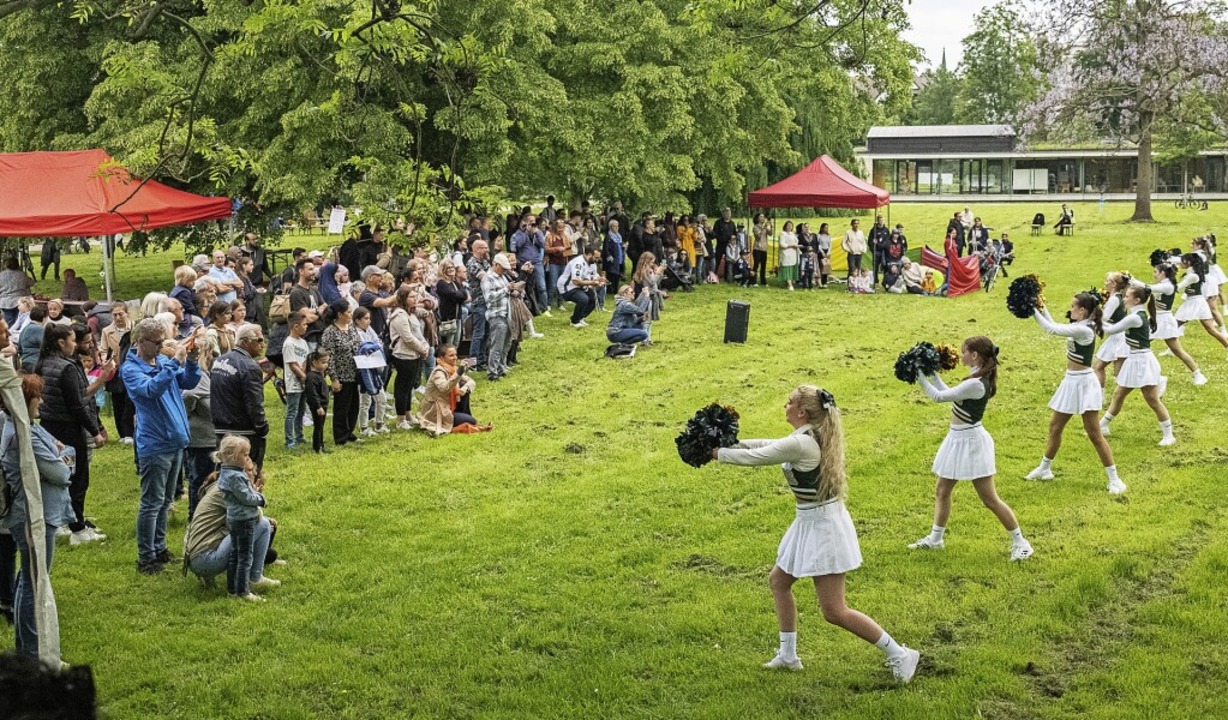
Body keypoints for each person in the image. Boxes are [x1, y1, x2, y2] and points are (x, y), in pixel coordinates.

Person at [713, 385, 920, 681]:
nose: (784, 405)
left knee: (834, 611)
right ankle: (788, 656)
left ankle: (900, 654)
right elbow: (764, 445)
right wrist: (730, 443)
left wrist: (716, 453)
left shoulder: (802, 444)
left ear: (801, 412)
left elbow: (758, 457)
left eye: (789, 402)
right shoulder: (805, 436)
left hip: (824, 528)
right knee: (779, 581)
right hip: (811, 522)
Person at [908, 336, 1033, 561]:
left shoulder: (976, 383)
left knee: (989, 499)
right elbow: (950, 393)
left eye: (964, 351)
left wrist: (917, 372)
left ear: (974, 355)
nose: (961, 354)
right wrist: (931, 372)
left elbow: (939, 397)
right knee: (942, 490)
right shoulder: (976, 377)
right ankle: (936, 539)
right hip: (958, 440)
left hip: (972, 443)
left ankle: (1021, 542)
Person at [3, 372, 75, 658]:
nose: (42, 401)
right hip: (33, 516)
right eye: (37, 396)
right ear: (23, 401)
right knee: (34, 582)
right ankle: (32, 654)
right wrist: (63, 460)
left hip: (39, 513)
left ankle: (27, 650)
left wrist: (62, 456)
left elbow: (64, 450)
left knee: (29, 579)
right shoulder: (24, 436)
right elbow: (60, 471)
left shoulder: (30, 427)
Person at [122, 317, 202, 574]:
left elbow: (188, 382)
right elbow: (150, 390)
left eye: (162, 341)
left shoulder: (162, 362)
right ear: (139, 341)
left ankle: (160, 548)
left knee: (166, 500)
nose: (160, 346)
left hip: (175, 440)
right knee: (151, 502)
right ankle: (146, 557)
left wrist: (191, 360)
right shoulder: (131, 370)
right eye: (156, 342)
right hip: (155, 443)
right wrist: (175, 362)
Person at [1029, 294, 1126, 494]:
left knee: (1094, 434)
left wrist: (1030, 309)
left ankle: (1115, 479)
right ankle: (1044, 468)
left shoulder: (1085, 330)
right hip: (1071, 381)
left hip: (1084, 384)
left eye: (1073, 306)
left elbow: (1051, 329)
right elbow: (1055, 324)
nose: (1070, 309)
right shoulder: (1082, 324)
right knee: (1055, 427)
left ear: (1082, 310)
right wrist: (1040, 304)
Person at [36, 323, 109, 546]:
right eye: (72, 340)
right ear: (61, 342)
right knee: (77, 479)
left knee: (57, 478)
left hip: (50, 427)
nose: (75, 344)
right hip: (69, 429)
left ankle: (57, 522)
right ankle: (78, 529)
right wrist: (95, 431)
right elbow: (77, 405)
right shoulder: (67, 367)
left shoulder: (42, 363)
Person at [1099, 285, 1175, 446]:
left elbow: (1111, 330)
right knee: (1119, 394)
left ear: (1137, 300)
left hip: (1142, 362)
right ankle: (1103, 426)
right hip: (1134, 359)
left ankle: (1169, 435)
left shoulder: (1134, 317)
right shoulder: (1135, 314)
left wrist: (1096, 316)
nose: (1124, 299)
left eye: (1127, 296)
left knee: (1152, 399)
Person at [213, 436, 267, 602]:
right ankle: (243, 591)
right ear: (232, 457)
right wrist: (260, 499)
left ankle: (232, 590)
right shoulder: (236, 477)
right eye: (244, 455)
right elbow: (246, 497)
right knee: (245, 556)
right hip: (244, 519)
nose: (247, 458)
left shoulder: (226, 473)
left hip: (234, 518)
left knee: (235, 555)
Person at [211, 323, 269, 471]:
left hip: (220, 428)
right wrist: (262, 427)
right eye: (259, 340)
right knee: (248, 474)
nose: (263, 345)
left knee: (223, 474)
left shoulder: (219, 361)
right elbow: (254, 402)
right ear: (245, 341)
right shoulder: (250, 366)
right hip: (244, 432)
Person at [1135, 263, 1207, 385]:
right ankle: (1139, 373)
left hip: (1165, 320)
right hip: (1155, 318)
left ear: (1162, 273)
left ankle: (1198, 374)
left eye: (1155, 272)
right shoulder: (1163, 284)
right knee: (1138, 345)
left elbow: (1147, 288)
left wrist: (1131, 279)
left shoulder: (1168, 286)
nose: (1154, 274)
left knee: (1176, 350)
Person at [418, 344, 492, 436]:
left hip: (448, 406)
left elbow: (471, 381)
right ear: (442, 357)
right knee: (471, 421)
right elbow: (445, 388)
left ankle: (461, 416)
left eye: (455, 355)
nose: (455, 358)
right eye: (451, 355)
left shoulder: (453, 368)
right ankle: (457, 422)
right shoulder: (438, 372)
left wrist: (464, 389)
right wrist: (459, 372)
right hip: (437, 411)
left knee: (463, 385)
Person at [319, 301, 361, 446]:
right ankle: (340, 435)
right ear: (339, 314)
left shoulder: (352, 328)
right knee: (342, 406)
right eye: (348, 312)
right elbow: (328, 357)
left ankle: (350, 431)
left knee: (354, 405)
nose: (351, 314)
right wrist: (334, 378)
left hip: (355, 372)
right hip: (341, 374)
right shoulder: (330, 332)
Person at [182, 343, 216, 517]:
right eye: (210, 353)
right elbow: (188, 395)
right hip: (202, 436)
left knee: (201, 475)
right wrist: (187, 411)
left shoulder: (205, 374)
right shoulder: (200, 376)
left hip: (203, 434)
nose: (213, 357)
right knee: (201, 477)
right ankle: (196, 514)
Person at [1174, 252, 1228, 353]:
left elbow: (1177, 288)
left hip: (1194, 303)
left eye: (1182, 261)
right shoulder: (1192, 272)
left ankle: (1172, 348)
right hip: (1196, 302)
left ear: (1188, 262)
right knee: (1210, 329)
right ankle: (1172, 348)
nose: (1180, 263)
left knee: (1173, 325)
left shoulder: (1192, 276)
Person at [1092, 272, 1132, 388]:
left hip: (1119, 337)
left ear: (1113, 284)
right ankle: (1101, 396)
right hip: (1117, 336)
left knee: (1102, 368)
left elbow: (1104, 318)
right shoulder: (1118, 297)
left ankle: (1157, 382)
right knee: (1115, 372)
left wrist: (1093, 311)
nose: (1105, 283)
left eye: (1107, 281)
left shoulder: (1114, 299)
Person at [482, 254, 516, 381]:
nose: (505, 271)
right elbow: (489, 297)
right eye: (503, 268)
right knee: (497, 345)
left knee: (506, 344)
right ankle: (492, 372)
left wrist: (512, 289)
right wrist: (506, 290)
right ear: (496, 265)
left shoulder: (503, 277)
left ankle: (501, 367)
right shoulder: (488, 278)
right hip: (496, 314)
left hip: (506, 313)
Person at [282, 311, 311, 449]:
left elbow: (305, 360)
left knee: (301, 410)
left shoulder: (303, 342)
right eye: (304, 325)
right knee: (292, 412)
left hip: (303, 381)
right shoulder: (289, 344)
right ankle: (289, 440)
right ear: (295, 326)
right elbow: (292, 365)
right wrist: (303, 377)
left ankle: (299, 436)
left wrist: (305, 372)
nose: (306, 327)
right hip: (293, 383)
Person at [510, 213, 549, 316]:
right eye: (530, 221)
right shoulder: (519, 233)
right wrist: (526, 232)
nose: (532, 223)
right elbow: (518, 245)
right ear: (526, 221)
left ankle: (544, 308)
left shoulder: (538, 231)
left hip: (537, 262)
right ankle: (529, 308)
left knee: (542, 287)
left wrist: (536, 233)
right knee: (526, 287)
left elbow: (543, 245)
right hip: (524, 263)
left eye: (534, 221)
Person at [558, 247, 603, 328]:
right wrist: (592, 283)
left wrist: (600, 280)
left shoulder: (592, 264)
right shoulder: (578, 263)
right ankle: (574, 322)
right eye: (596, 257)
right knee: (583, 299)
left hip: (580, 286)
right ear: (589, 254)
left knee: (596, 299)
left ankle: (579, 317)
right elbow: (576, 281)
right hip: (567, 286)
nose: (597, 260)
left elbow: (593, 277)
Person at [466, 240, 493, 369]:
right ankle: (472, 363)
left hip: (488, 301)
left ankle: (481, 361)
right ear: (477, 249)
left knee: (486, 333)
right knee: (478, 333)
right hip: (478, 302)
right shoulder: (472, 263)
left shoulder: (484, 262)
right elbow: (487, 278)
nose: (487, 250)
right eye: (484, 248)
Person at [631, 252, 662, 346]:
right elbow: (651, 282)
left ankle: (648, 338)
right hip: (646, 296)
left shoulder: (649, 270)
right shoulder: (644, 271)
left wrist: (660, 274)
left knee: (650, 319)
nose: (653, 263)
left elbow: (656, 283)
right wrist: (657, 273)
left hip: (652, 295)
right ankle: (644, 340)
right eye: (651, 261)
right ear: (647, 261)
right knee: (646, 319)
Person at [304, 351, 330, 453]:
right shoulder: (311, 377)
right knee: (318, 427)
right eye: (323, 362)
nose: (326, 365)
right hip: (318, 406)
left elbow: (321, 389)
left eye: (327, 362)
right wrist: (318, 406)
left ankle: (321, 445)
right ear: (314, 362)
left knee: (321, 426)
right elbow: (312, 394)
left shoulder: (319, 375)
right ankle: (317, 447)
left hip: (323, 404)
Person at [0, 257, 33, 326]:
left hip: (6, 302)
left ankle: (9, 335)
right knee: (21, 322)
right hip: (21, 301)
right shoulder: (21, 274)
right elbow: (31, 282)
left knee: (8, 323)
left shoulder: (1, 275)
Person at [18, 305, 46, 373]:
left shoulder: (25, 328)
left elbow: (19, 348)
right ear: (45, 317)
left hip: (25, 362)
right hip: (35, 363)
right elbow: (44, 346)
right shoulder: (39, 329)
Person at [867, 215, 890, 286]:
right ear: (877, 221)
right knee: (875, 267)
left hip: (884, 252)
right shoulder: (873, 230)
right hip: (876, 252)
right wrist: (873, 250)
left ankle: (885, 281)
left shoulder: (886, 230)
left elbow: (888, 241)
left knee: (886, 267)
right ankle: (875, 281)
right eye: (879, 220)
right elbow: (870, 241)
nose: (881, 221)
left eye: (882, 220)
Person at [777, 221, 799, 291]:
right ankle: (789, 284)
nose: (790, 227)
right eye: (788, 225)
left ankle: (791, 282)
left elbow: (796, 242)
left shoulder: (793, 234)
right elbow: (782, 244)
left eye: (791, 226)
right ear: (785, 226)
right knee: (787, 268)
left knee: (792, 268)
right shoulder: (783, 234)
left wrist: (796, 246)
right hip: (786, 253)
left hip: (793, 253)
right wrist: (791, 245)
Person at [751, 213, 770, 287]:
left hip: (764, 249)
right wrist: (763, 228)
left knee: (763, 266)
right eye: (761, 217)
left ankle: (763, 281)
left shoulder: (765, 227)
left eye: (763, 216)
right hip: (757, 248)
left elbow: (770, 233)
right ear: (757, 219)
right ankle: (753, 280)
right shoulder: (755, 227)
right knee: (756, 265)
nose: (762, 218)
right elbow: (758, 236)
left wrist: (770, 226)